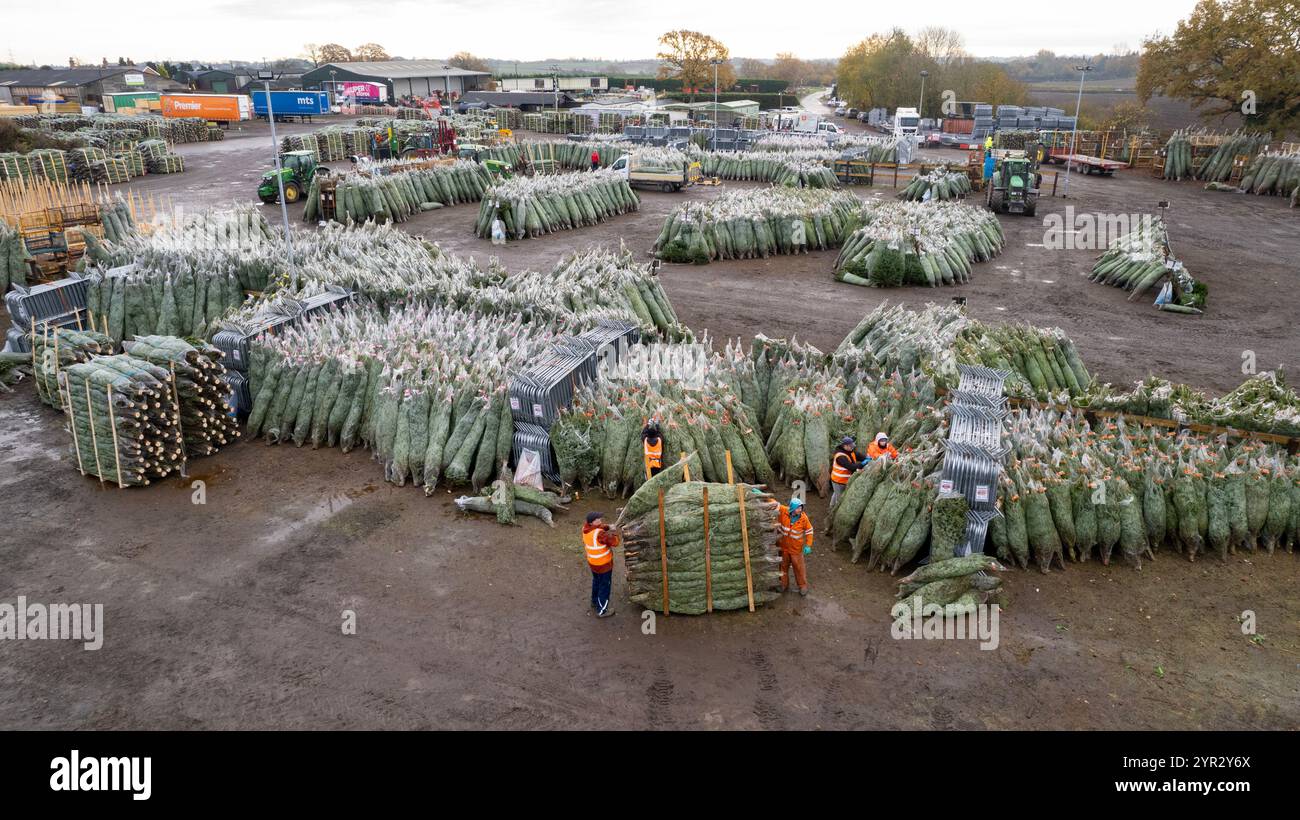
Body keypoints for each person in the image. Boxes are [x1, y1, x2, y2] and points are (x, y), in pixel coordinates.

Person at [582, 511, 620, 617]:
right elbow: (615, 542)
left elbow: (599, 528)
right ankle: (602, 611)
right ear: (592, 522)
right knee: (604, 586)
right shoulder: (599, 534)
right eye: (597, 519)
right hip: (604, 565)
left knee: (597, 582)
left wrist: (607, 526)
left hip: (593, 563)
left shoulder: (585, 529)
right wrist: (614, 532)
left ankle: (594, 601)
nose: (600, 520)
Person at [776, 497, 813, 596]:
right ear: (792, 508)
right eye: (798, 508)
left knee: (798, 567)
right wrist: (763, 495)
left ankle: (802, 586)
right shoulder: (784, 511)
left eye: (801, 508)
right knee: (783, 567)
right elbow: (774, 503)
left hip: (796, 550)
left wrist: (808, 545)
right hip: (784, 548)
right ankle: (783, 584)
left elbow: (809, 531)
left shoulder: (803, 519)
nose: (800, 510)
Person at [829, 436, 867, 509]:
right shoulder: (840, 456)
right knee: (839, 498)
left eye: (852, 446)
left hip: (844, 480)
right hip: (838, 481)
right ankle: (835, 510)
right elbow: (851, 467)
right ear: (845, 446)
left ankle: (831, 506)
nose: (852, 447)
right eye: (850, 446)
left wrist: (866, 458)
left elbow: (859, 455)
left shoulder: (850, 451)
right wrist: (862, 464)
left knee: (836, 493)